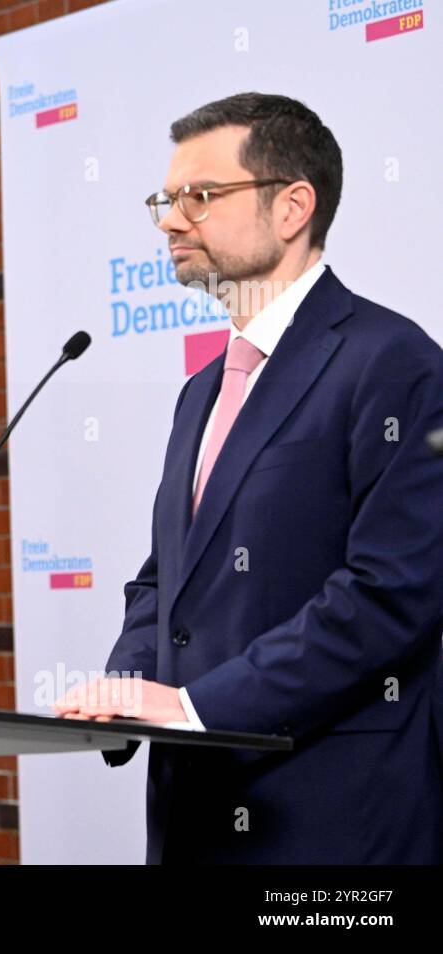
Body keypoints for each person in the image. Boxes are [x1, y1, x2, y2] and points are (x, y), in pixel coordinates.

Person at [54, 92, 443, 864]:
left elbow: (390, 594)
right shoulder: (201, 390)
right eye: (166, 200)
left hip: (326, 822)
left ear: (292, 206)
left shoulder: (393, 362)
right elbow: (166, 579)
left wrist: (199, 707)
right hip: (191, 815)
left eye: (200, 196)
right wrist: (127, 689)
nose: (171, 221)